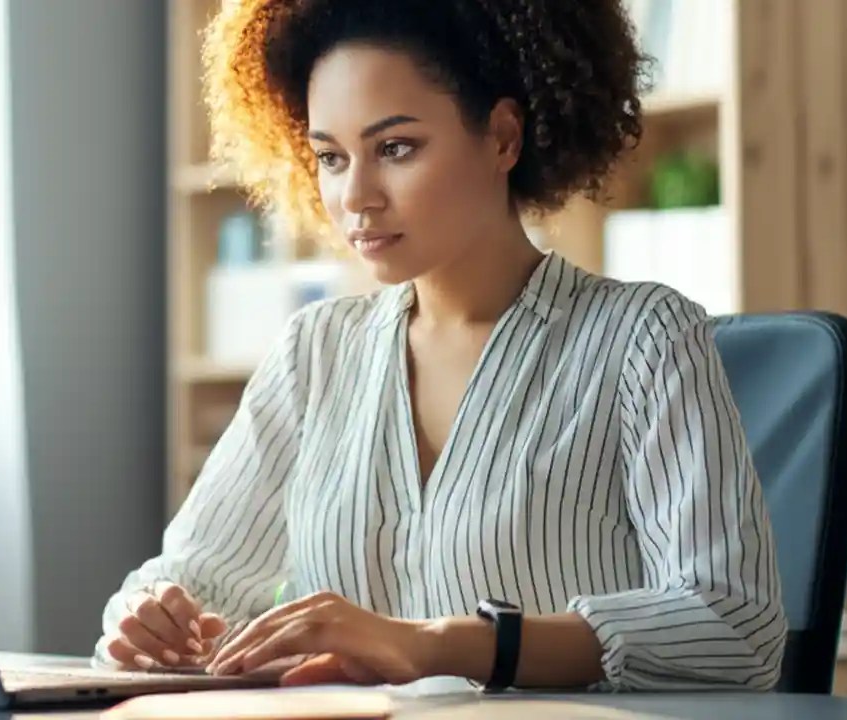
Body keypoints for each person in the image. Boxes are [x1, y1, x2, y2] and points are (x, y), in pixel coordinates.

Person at [96, 0, 785, 692]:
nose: (356, 196)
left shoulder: (643, 339)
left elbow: (733, 628)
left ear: (503, 138)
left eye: (395, 148)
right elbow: (192, 578)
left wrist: (440, 646)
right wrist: (150, 619)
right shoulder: (315, 351)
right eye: (331, 157)